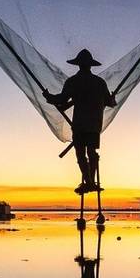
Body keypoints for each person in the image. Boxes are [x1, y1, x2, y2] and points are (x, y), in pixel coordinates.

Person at [43, 49, 116, 194]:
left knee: (81, 153)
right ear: (90, 65)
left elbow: (62, 99)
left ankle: (88, 182)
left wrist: (48, 96)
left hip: (80, 124)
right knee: (92, 151)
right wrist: (112, 98)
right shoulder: (99, 82)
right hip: (94, 124)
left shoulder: (73, 81)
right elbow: (110, 102)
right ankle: (91, 182)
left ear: (78, 65)